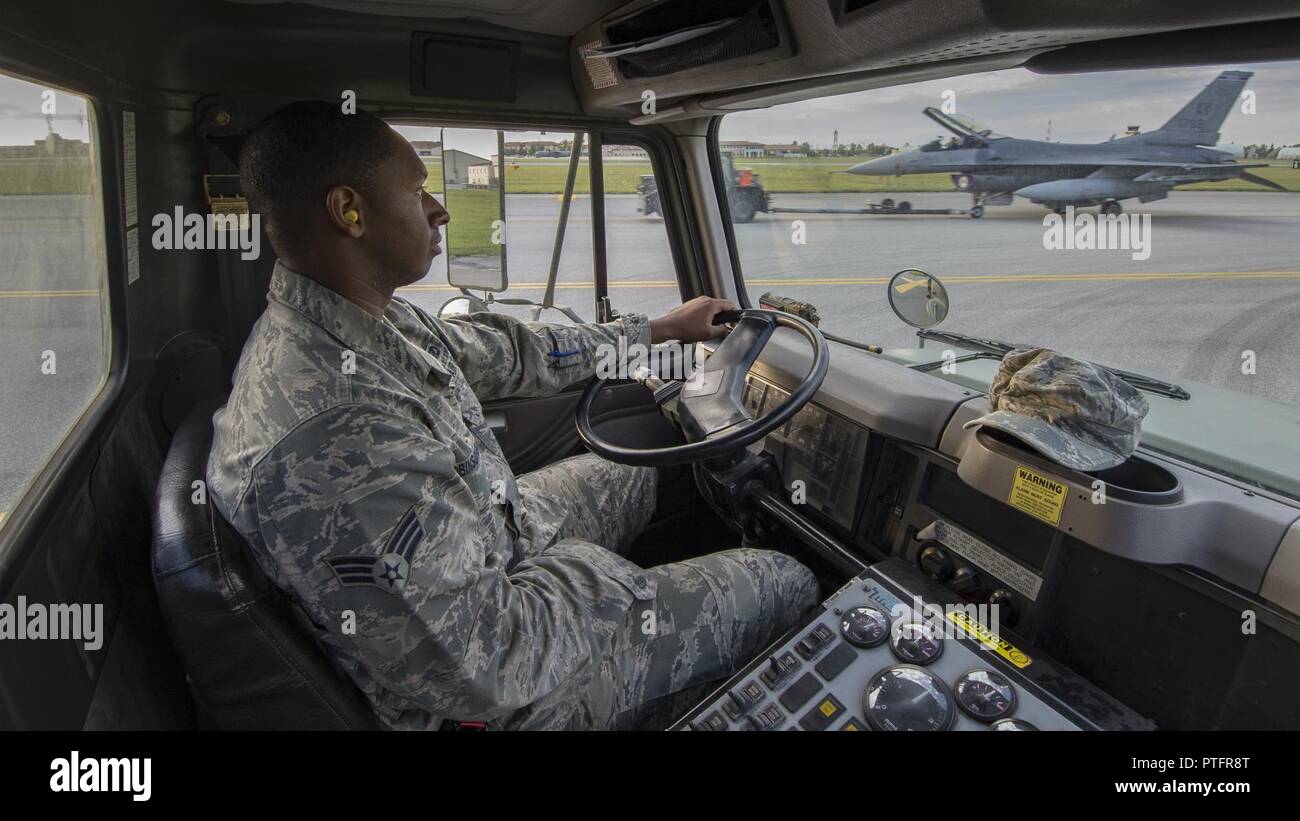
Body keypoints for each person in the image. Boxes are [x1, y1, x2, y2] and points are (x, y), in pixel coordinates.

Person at [206, 101, 819, 730]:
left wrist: (659, 328)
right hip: (493, 703)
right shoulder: (335, 435)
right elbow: (490, 666)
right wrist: (617, 580)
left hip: (491, 545)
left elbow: (512, 352)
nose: (437, 209)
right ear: (348, 212)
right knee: (781, 579)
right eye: (417, 191)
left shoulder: (362, 321)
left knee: (635, 475)